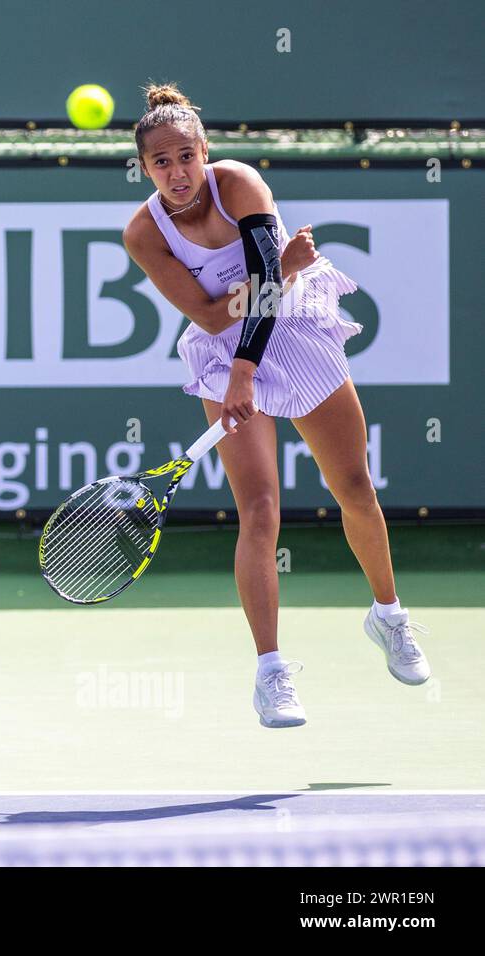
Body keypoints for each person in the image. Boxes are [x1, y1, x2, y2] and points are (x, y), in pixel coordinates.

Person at [120, 83, 430, 728]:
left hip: (295, 328)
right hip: (221, 349)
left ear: (206, 153)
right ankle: (271, 671)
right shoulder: (145, 233)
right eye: (161, 162)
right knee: (259, 511)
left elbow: (268, 283)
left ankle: (388, 615)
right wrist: (269, 292)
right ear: (144, 168)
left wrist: (254, 347)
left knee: (354, 488)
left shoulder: (239, 184)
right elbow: (210, 315)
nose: (177, 173)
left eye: (186, 156)